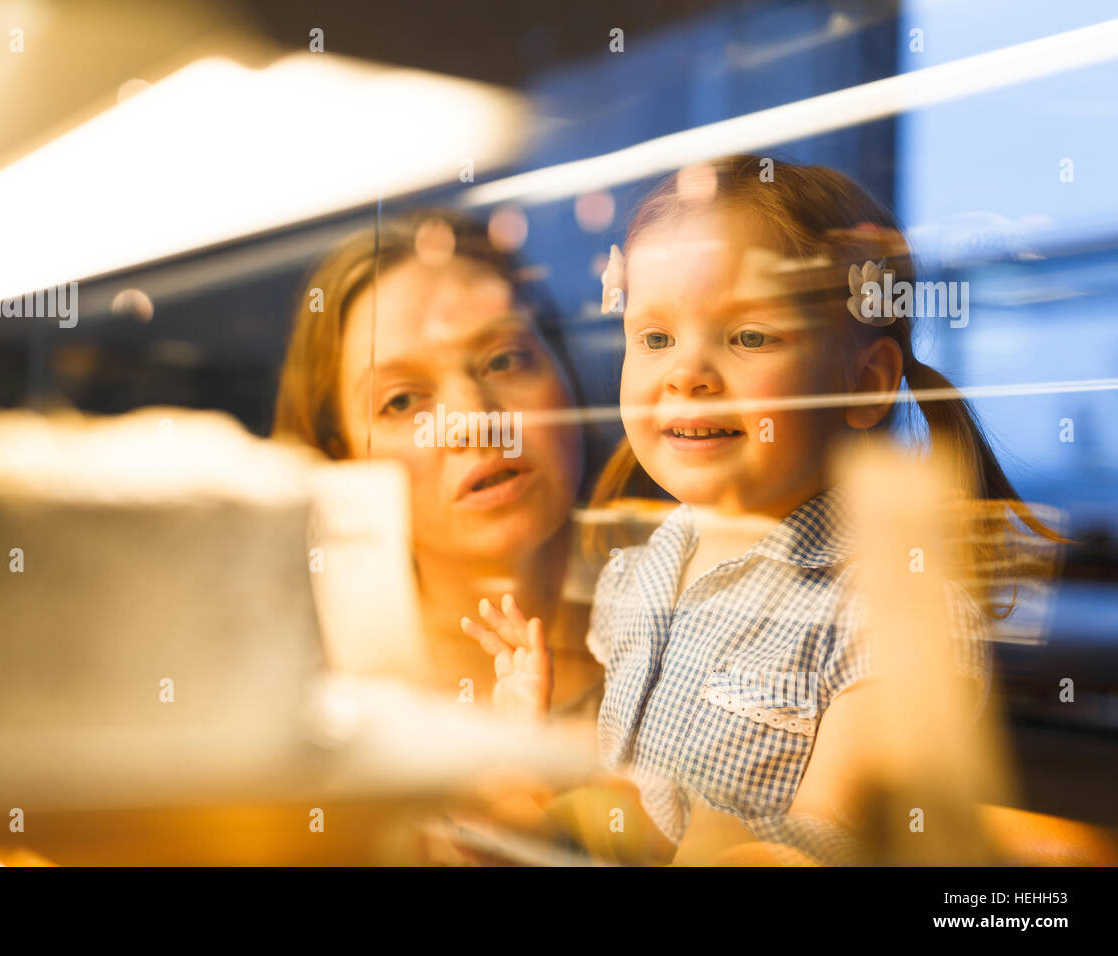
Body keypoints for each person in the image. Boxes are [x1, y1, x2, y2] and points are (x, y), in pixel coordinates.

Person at [462, 155, 1070, 863]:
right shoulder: (636, 575)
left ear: (865, 382)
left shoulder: (893, 611)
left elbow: (826, 845)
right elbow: (625, 797)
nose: (685, 374)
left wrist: (600, 820)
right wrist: (534, 758)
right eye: (655, 338)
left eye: (749, 336)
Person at [274, 211, 604, 711]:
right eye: (402, 401)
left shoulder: (698, 617)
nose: (473, 420)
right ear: (341, 459)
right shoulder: (324, 700)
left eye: (504, 360)